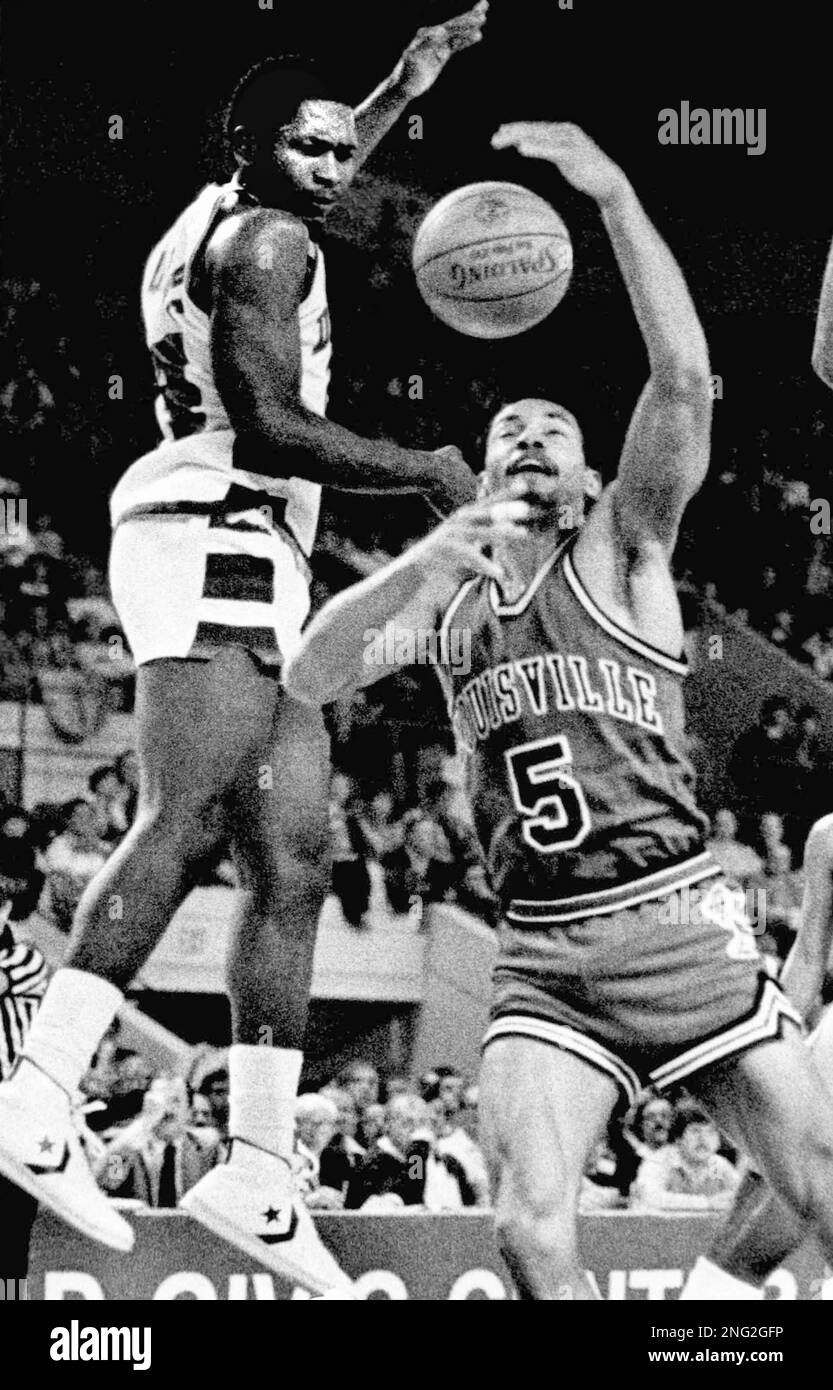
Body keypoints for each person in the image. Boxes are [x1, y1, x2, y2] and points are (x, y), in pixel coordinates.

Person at [283, 121, 833, 1299]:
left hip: (679, 919)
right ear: (480, 479)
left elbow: (680, 378)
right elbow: (312, 674)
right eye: (504, 434)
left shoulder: (627, 548)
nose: (528, 435)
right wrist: (426, 554)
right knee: (530, 1237)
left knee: (820, 1182)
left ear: (592, 478)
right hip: (538, 953)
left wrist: (613, 193)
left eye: (553, 430)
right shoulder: (450, 598)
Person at [0, 9, 487, 1297]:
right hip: (212, 525)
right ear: (251, 147)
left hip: (248, 548)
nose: (334, 167)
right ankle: (39, 1089)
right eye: (309, 149)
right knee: (190, 812)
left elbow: (309, 160)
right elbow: (268, 425)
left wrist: (404, 81)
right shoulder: (267, 243)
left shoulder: (246, 209)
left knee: (292, 853)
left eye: (345, 150)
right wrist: (425, 472)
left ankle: (260, 1166)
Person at [679, 237, 833, 1299]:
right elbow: (805, 967)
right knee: (770, 1196)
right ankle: (701, 1324)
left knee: (773, 1205)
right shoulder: (829, 839)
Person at [630, 1103, 739, 1212]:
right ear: (678, 1138)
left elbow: (740, 1195)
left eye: (711, 1132)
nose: (703, 1139)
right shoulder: (659, 1161)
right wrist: (706, 1203)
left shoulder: (718, 1165)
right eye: (695, 1131)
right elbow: (651, 1197)